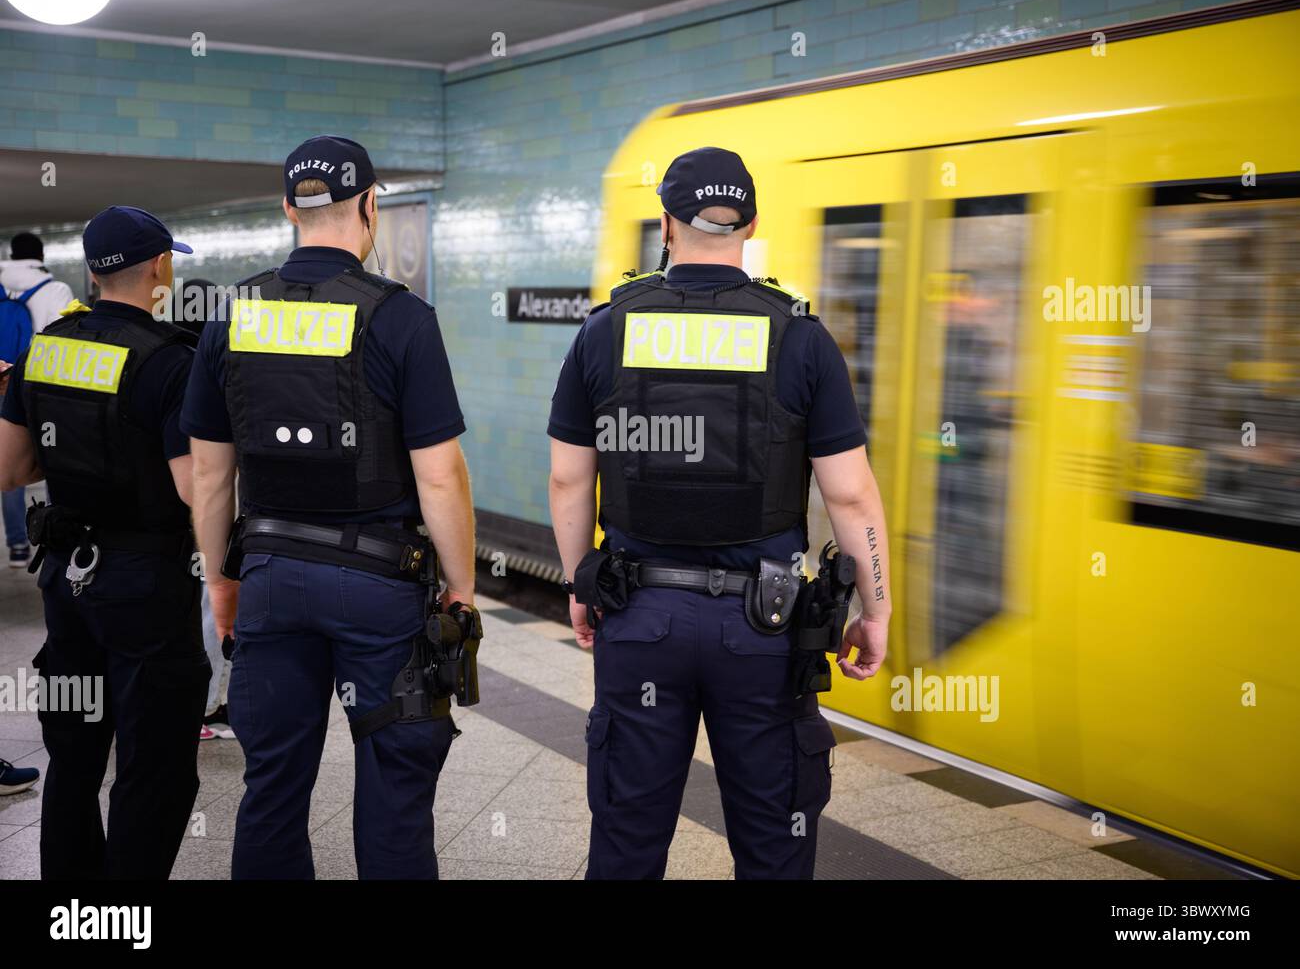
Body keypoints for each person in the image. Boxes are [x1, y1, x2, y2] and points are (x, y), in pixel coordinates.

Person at [548, 147, 892, 880]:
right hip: (762, 630)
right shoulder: (799, 335)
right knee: (773, 844)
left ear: (667, 225)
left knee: (626, 839)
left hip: (640, 616)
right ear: (750, 224)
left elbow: (569, 480)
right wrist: (875, 606)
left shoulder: (605, 329)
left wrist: (583, 584)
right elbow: (852, 494)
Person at [182, 135, 479, 880]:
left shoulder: (233, 310)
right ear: (372, 205)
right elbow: (440, 475)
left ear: (289, 208)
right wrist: (462, 588)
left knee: (272, 789)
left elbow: (212, 475)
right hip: (378, 585)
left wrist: (222, 583)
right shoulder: (402, 317)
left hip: (272, 580)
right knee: (395, 788)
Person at [0, 206, 210, 879]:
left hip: (67, 577)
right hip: (147, 583)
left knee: (74, 757)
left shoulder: (47, 347)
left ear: (92, 272)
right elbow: (190, 490)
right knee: (154, 768)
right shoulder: (170, 361)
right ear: (160, 268)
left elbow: (10, 469)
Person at [1, 233, 75, 568]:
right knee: (48, 457)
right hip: (33, 386)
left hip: (0, 378)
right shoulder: (56, 290)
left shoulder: (1, 284)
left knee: (6, 460)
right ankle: (39, 536)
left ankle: (17, 543)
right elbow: (60, 344)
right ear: (41, 254)